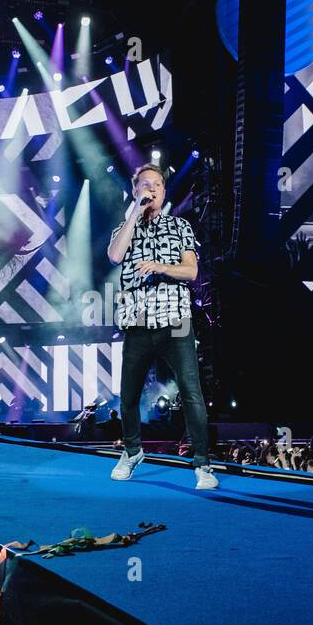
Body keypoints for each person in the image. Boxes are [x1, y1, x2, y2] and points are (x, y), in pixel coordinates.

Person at [106, 163, 217, 489]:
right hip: (138, 323)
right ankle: (132, 451)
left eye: (156, 185)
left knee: (192, 394)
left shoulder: (179, 227)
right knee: (128, 397)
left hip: (175, 321)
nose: (150, 190)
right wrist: (132, 215)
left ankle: (203, 465)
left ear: (164, 192)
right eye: (144, 185)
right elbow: (115, 256)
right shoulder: (123, 229)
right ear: (135, 189)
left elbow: (192, 272)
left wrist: (158, 266)